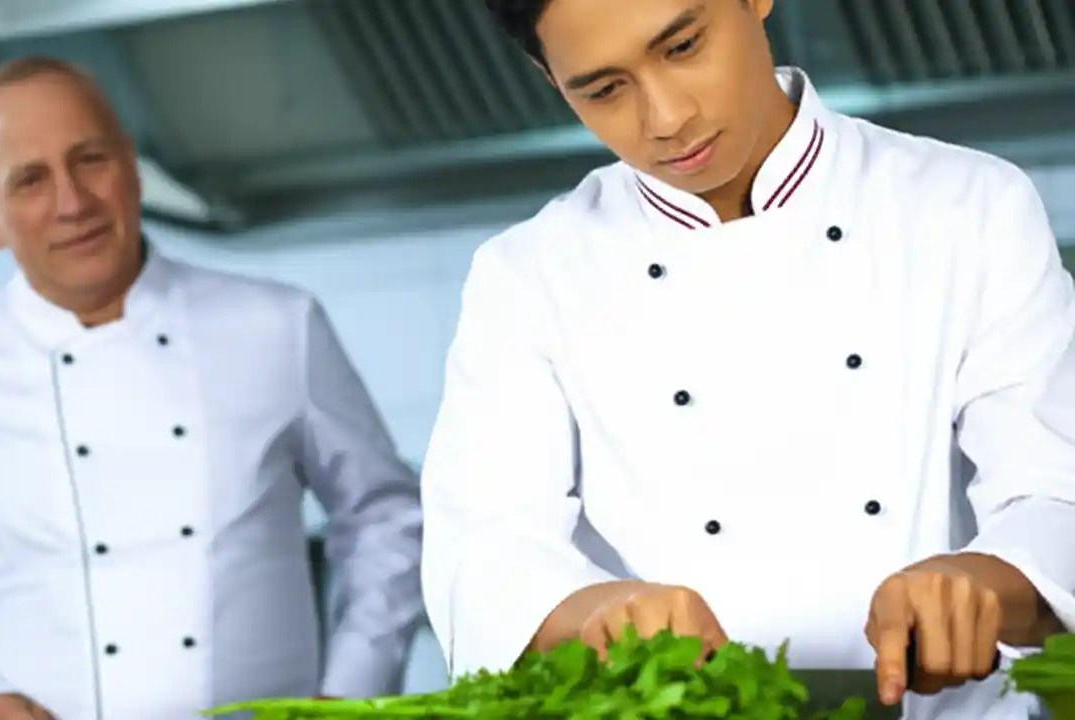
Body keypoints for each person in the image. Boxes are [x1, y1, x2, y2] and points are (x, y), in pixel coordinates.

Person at [420, 1, 1075, 717]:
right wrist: (590, 612)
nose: (666, 117)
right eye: (605, 90)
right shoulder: (528, 274)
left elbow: (1054, 488)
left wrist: (989, 577)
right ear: (551, 81)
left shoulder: (969, 206)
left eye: (684, 45)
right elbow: (480, 544)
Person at [0, 56, 424, 720]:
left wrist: (348, 693)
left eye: (90, 160)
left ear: (131, 166)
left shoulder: (276, 326)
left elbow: (385, 517)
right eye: (30, 180)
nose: (72, 202)